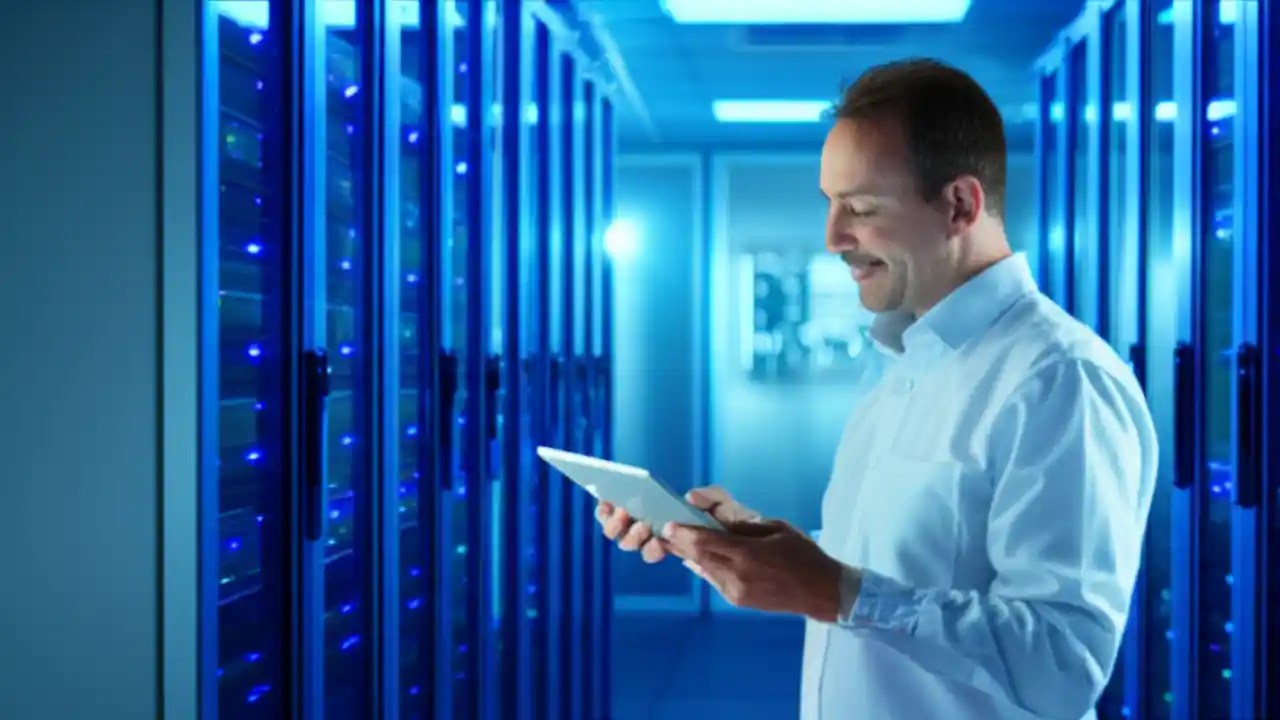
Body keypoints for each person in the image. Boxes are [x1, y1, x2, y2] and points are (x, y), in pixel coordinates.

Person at [596, 58, 1157, 720]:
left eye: (860, 209)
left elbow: (1062, 666)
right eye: (830, 205)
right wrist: (751, 544)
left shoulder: (1059, 378)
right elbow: (892, 568)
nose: (833, 237)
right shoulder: (903, 360)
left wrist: (836, 590)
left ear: (960, 205)